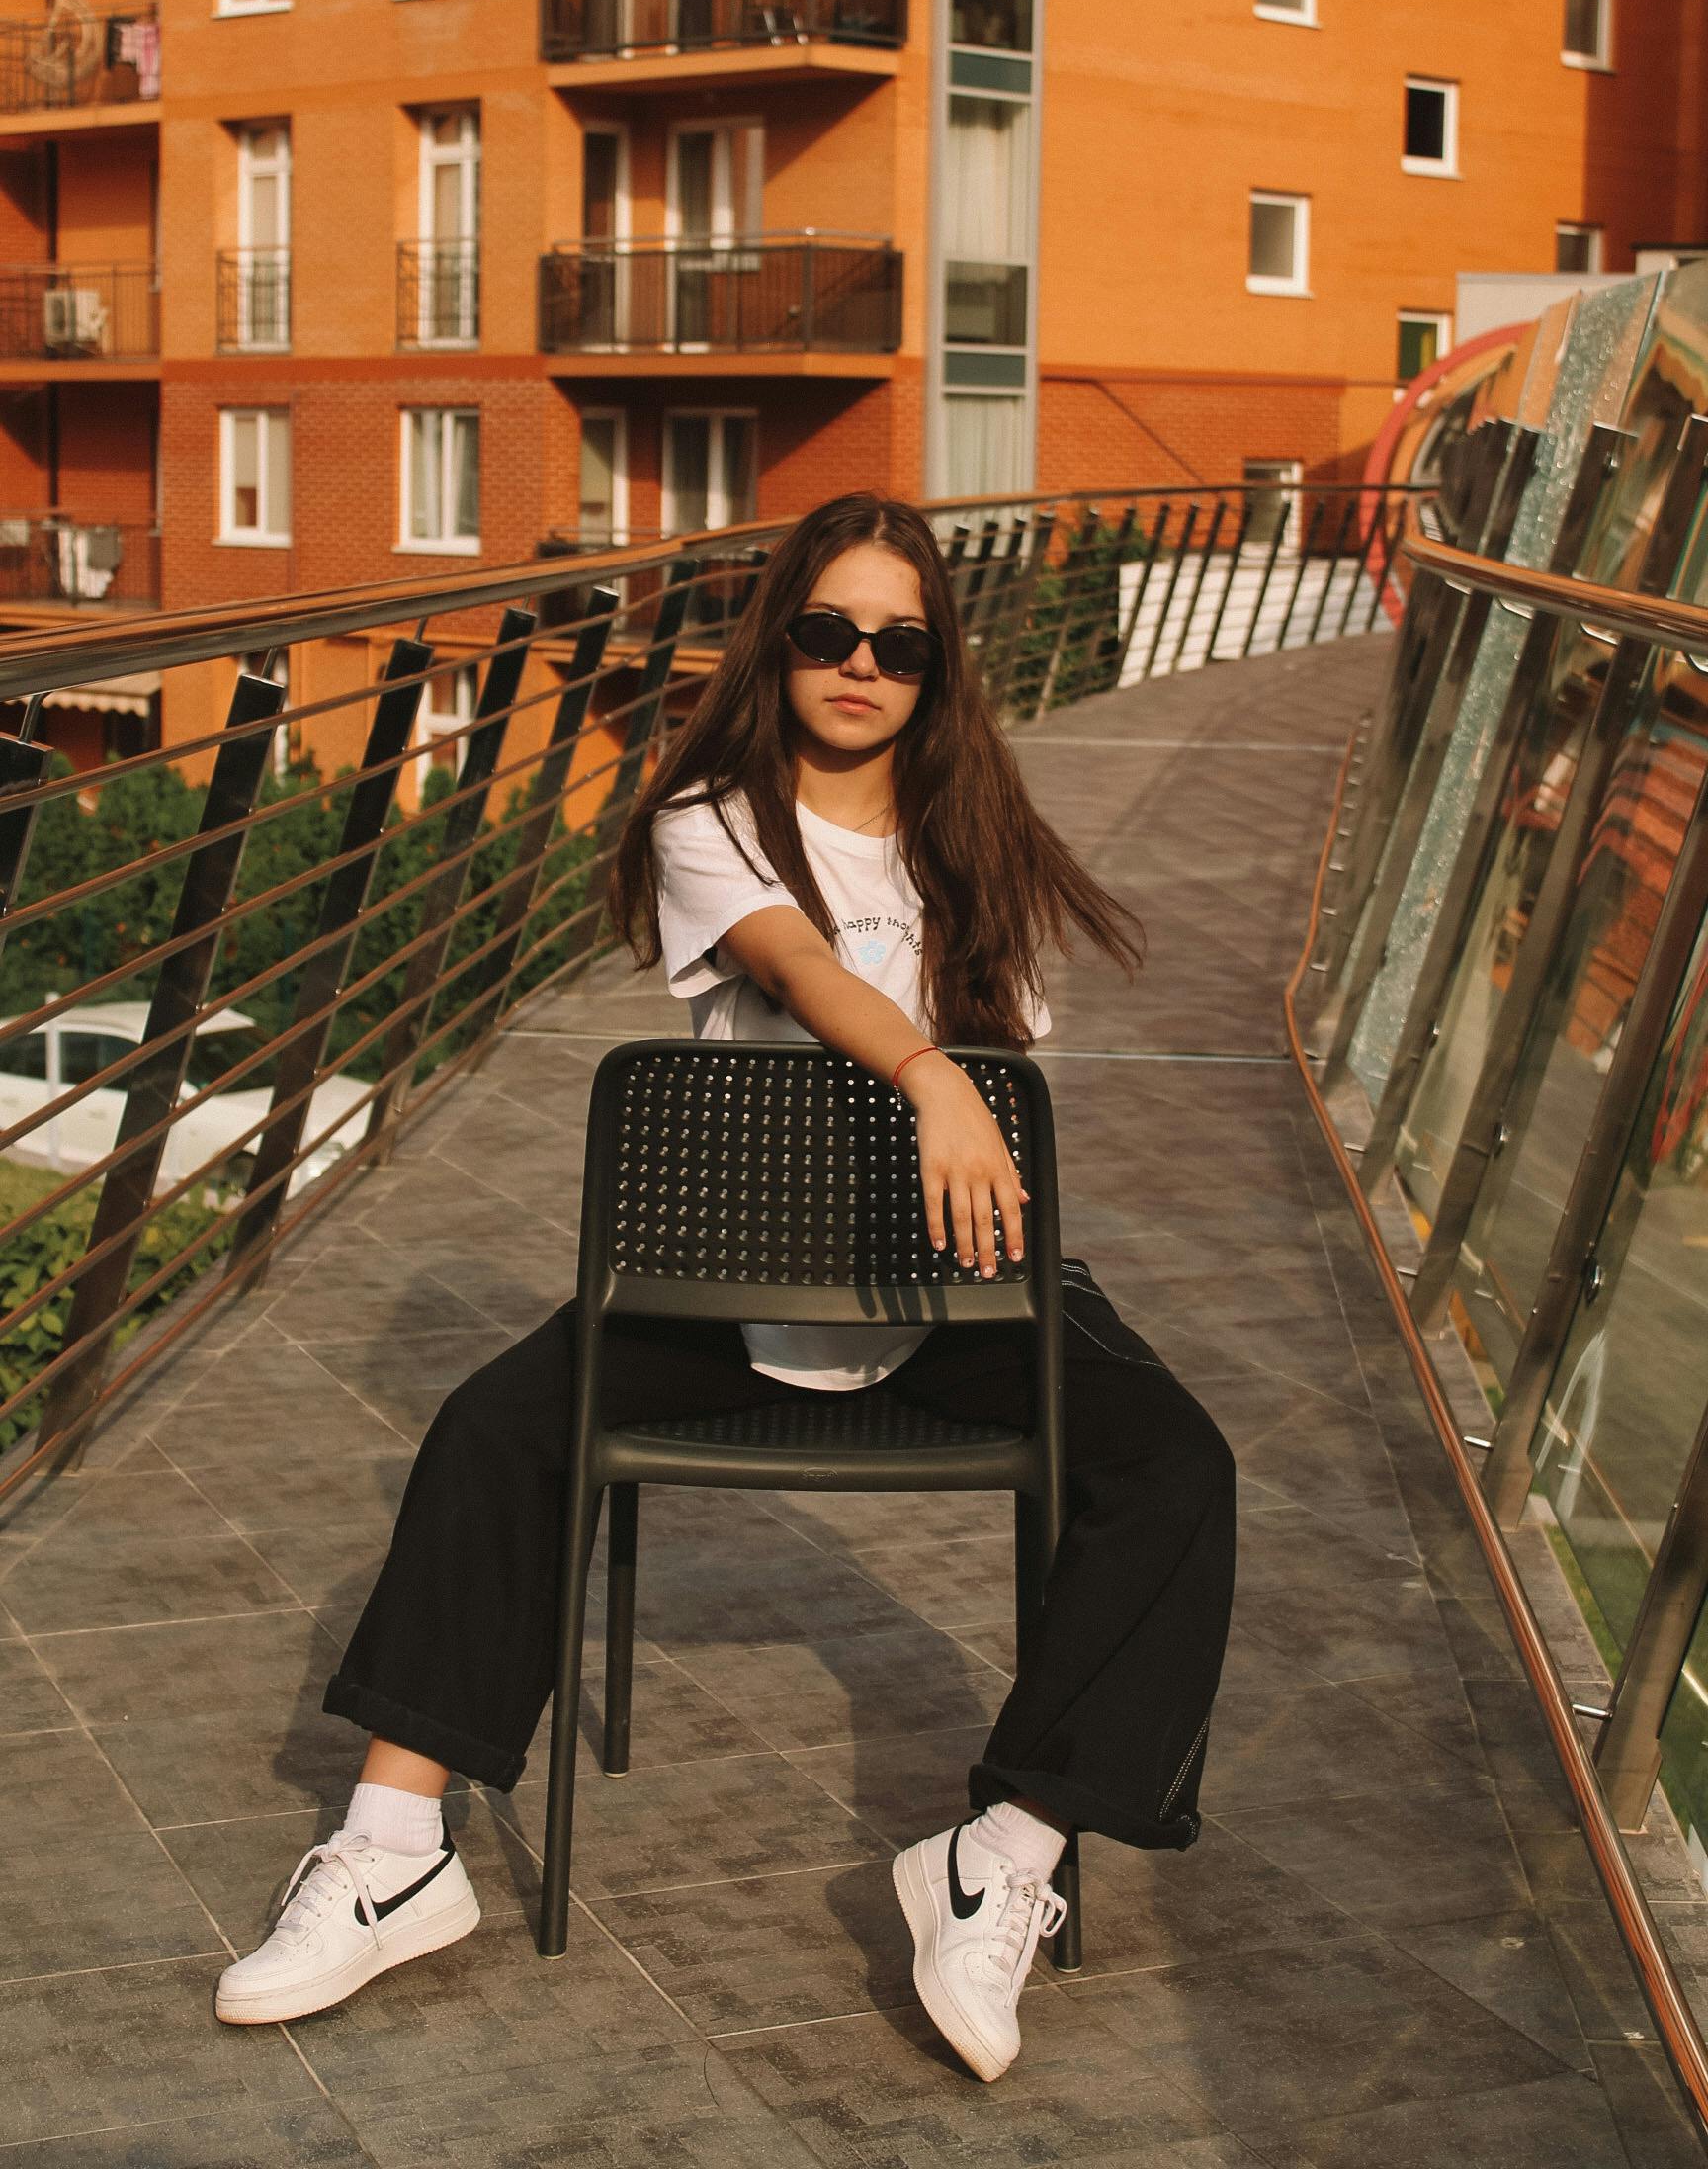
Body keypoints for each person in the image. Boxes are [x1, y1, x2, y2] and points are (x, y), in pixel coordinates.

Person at [215, 492, 1237, 2085]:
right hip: (721, 1284)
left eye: (899, 643)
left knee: (1179, 1466)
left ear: (936, 671)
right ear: (780, 641)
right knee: (494, 1432)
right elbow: (797, 963)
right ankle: (391, 1850)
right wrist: (934, 1078)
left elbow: (1003, 1075)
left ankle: (1001, 1852)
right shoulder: (715, 815)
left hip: (940, 1294)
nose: (860, 665)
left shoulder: (981, 845)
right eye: (829, 629)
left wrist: (968, 1104)